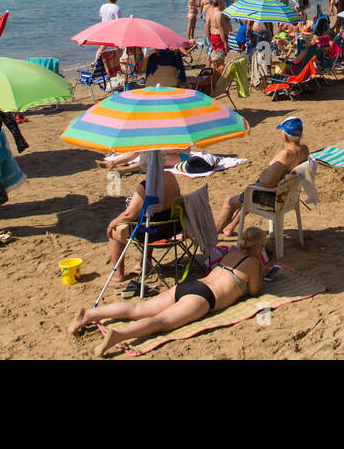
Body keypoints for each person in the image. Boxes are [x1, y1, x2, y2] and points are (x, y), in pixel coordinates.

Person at [71, 225, 271, 358]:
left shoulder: (232, 251)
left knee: (137, 309)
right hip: (204, 298)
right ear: (255, 246)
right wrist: (262, 270)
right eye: (261, 246)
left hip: (190, 285)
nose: (262, 249)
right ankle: (119, 335)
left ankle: (90, 314)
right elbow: (254, 291)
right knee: (161, 322)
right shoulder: (253, 262)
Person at [215, 117, 311, 235]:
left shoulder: (286, 154)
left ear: (284, 136)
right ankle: (230, 226)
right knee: (248, 193)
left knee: (229, 202)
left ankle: (212, 235)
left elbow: (269, 183)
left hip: (273, 199)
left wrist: (257, 183)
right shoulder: (304, 150)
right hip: (288, 196)